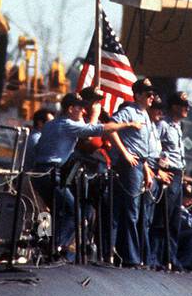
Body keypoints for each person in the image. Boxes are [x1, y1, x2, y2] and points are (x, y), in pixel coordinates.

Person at [33, 92, 142, 256]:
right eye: (81, 108)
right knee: (72, 212)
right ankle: (54, 247)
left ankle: (44, 245)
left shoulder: (53, 124)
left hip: (43, 173)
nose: (84, 111)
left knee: (54, 211)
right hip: (51, 173)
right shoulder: (66, 124)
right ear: (70, 109)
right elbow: (96, 130)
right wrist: (129, 124)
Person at [109, 77, 159, 267]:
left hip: (139, 166)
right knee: (131, 211)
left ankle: (130, 254)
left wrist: (146, 169)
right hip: (128, 166)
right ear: (137, 95)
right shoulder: (129, 111)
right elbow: (111, 129)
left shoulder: (144, 114)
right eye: (148, 94)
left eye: (153, 94)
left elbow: (142, 147)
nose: (152, 98)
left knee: (134, 212)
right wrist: (125, 153)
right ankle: (130, 257)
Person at [156, 91, 191, 267]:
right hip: (169, 174)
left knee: (174, 219)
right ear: (174, 106)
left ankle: (170, 257)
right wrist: (160, 165)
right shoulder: (163, 125)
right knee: (164, 218)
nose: (187, 109)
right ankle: (157, 257)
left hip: (179, 175)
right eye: (184, 105)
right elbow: (154, 147)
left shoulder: (178, 127)